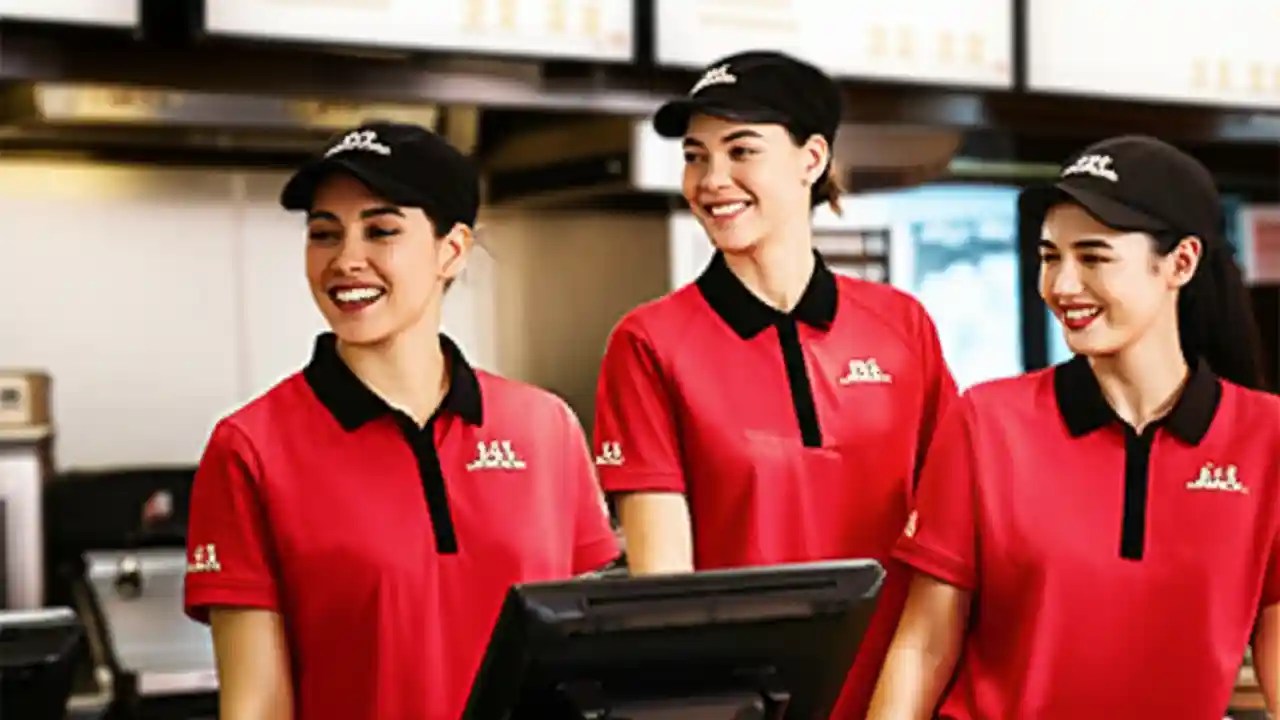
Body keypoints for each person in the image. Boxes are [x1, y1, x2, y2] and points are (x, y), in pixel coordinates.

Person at [182, 121, 620, 720]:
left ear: (452, 249)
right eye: (323, 234)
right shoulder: (250, 448)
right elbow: (256, 704)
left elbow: (586, 666)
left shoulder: (544, 428)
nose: (346, 260)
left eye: (381, 231)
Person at [591, 51, 958, 719]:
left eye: (741, 151)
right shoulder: (649, 344)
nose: (712, 179)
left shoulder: (903, 326)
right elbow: (664, 591)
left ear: (811, 159)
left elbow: (953, 549)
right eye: (696, 156)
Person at [868, 135, 1280, 719]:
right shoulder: (987, 424)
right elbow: (924, 643)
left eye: (1093, 257)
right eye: (1049, 256)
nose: (1061, 286)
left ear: (1180, 263)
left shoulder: (1268, 439)